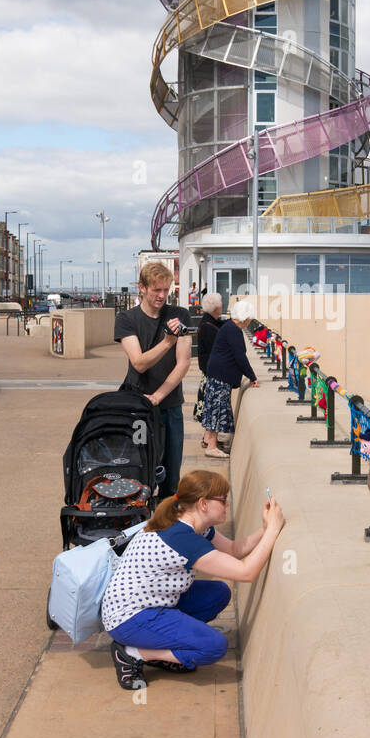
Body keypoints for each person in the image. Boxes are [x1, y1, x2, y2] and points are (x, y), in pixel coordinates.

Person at [102, 471, 285, 688]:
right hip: (129, 619)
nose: (227, 505)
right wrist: (273, 530)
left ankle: (164, 649)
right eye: (223, 500)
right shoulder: (183, 539)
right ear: (203, 504)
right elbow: (246, 572)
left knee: (218, 593)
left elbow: (234, 550)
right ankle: (133, 653)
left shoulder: (188, 523)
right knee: (213, 646)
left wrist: (264, 529)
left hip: (150, 604)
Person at [115, 261, 191, 501]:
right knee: (139, 472)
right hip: (138, 409)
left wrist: (158, 396)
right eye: (156, 290)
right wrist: (168, 341)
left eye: (166, 290)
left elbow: (184, 362)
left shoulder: (180, 315)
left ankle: (166, 526)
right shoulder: (126, 319)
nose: (162, 295)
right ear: (142, 288)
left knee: (171, 478)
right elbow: (139, 362)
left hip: (169, 407)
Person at [202, 301, 259, 458]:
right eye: (249, 319)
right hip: (221, 375)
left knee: (212, 405)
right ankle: (211, 446)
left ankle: (208, 439)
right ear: (244, 318)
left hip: (216, 372)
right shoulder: (234, 330)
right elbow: (240, 357)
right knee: (217, 408)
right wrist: (252, 377)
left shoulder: (228, 327)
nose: (249, 322)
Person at [196, 292, 224, 448]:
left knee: (209, 406)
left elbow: (220, 324)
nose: (222, 306)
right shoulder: (208, 327)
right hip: (211, 371)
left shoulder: (208, 321)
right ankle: (208, 440)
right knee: (212, 407)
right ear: (215, 308)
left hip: (208, 371)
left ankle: (207, 438)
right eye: (220, 303)